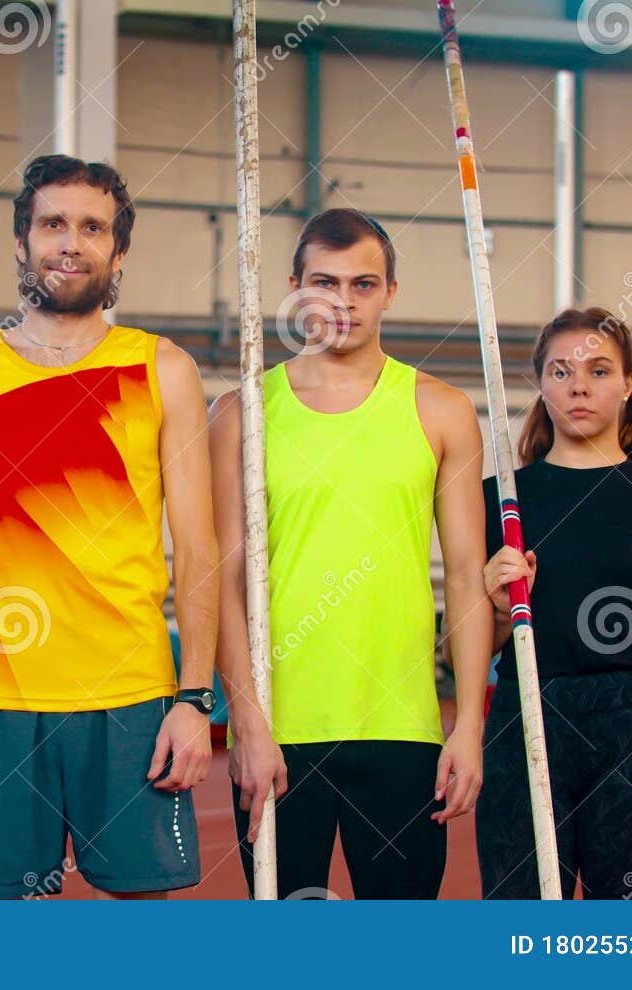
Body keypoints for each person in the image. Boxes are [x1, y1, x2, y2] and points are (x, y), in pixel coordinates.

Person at [0, 154, 218, 899]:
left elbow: (199, 547)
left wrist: (195, 699)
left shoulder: (163, 369)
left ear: (119, 252)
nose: (71, 242)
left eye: (92, 228)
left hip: (129, 698)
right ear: (21, 241)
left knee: (140, 932)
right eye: (53, 224)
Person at [210, 208, 491, 899]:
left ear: (391, 291)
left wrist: (470, 726)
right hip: (280, 728)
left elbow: (465, 578)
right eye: (324, 284)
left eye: (363, 285)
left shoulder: (441, 410)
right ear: (294, 289)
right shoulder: (241, 414)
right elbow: (221, 578)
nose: (342, 303)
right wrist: (243, 718)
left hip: (404, 730)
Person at [477, 306, 632, 900]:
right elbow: (468, 650)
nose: (579, 385)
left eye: (598, 370)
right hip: (527, 721)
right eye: (560, 371)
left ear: (628, 384)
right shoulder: (499, 500)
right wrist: (494, 603)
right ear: (541, 384)